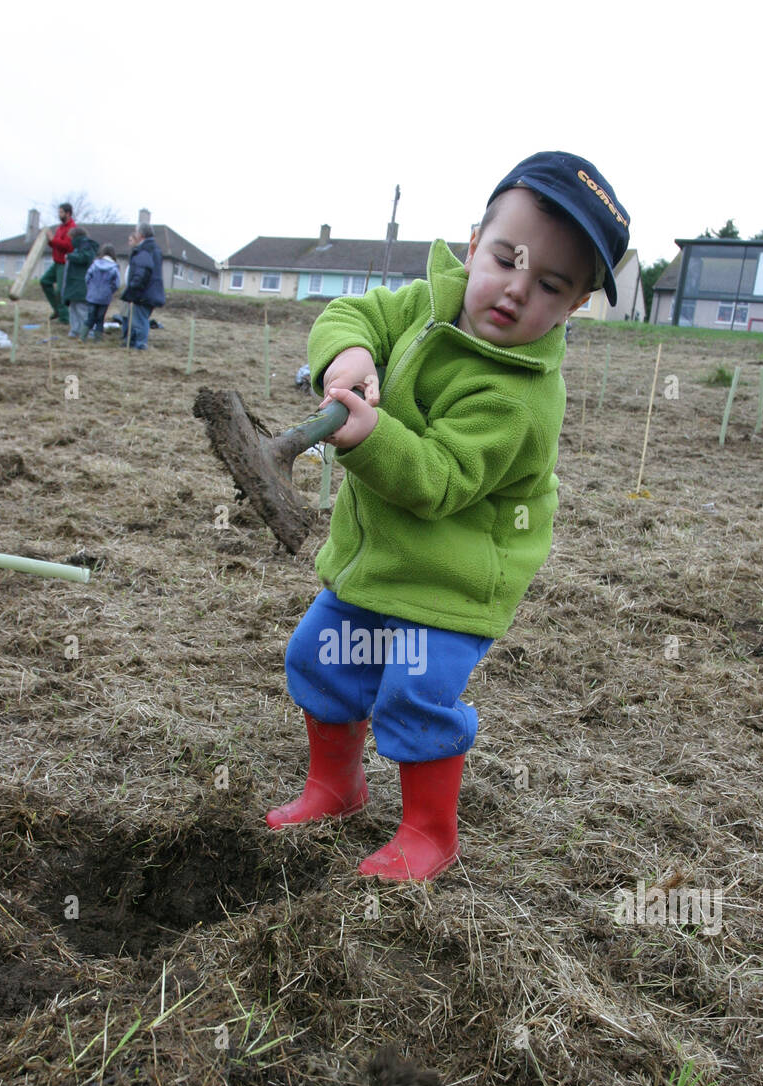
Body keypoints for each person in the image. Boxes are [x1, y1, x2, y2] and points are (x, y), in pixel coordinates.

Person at [266, 151, 629, 881]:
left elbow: (438, 480)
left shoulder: (519, 399)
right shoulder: (426, 303)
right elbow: (351, 312)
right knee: (319, 658)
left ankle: (431, 831)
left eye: (551, 285)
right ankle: (336, 787)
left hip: (457, 582)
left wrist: (370, 438)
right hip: (375, 562)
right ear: (473, 245)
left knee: (414, 689)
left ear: (575, 305)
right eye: (505, 258)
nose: (514, 290)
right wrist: (348, 357)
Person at [120, 223, 165, 349]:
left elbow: (142, 271)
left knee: (139, 320)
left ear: (140, 234)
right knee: (138, 319)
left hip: (143, 292)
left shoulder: (145, 249)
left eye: (135, 231)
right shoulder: (154, 248)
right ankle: (134, 343)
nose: (134, 234)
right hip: (151, 291)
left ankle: (140, 346)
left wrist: (134, 287)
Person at [41, 203, 77, 324]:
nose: (59, 214)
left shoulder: (72, 228)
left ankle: (64, 318)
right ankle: (56, 309)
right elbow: (56, 244)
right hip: (56, 262)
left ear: (68, 213)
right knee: (44, 281)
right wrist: (49, 240)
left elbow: (68, 246)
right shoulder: (60, 227)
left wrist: (53, 240)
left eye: (61, 212)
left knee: (60, 291)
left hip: (64, 263)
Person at [61, 226, 98, 338]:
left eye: (71, 237)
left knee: (82, 309)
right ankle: (75, 330)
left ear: (75, 237)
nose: (70, 240)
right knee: (73, 308)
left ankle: (88, 331)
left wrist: (69, 256)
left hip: (81, 285)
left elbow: (84, 258)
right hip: (74, 285)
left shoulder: (86, 246)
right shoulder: (79, 247)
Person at [81, 243, 120, 340]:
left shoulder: (94, 264)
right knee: (100, 319)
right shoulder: (114, 268)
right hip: (105, 297)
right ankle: (98, 339)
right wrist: (110, 291)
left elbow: (87, 278)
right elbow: (117, 284)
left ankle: (82, 337)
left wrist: (90, 288)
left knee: (90, 318)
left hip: (92, 296)